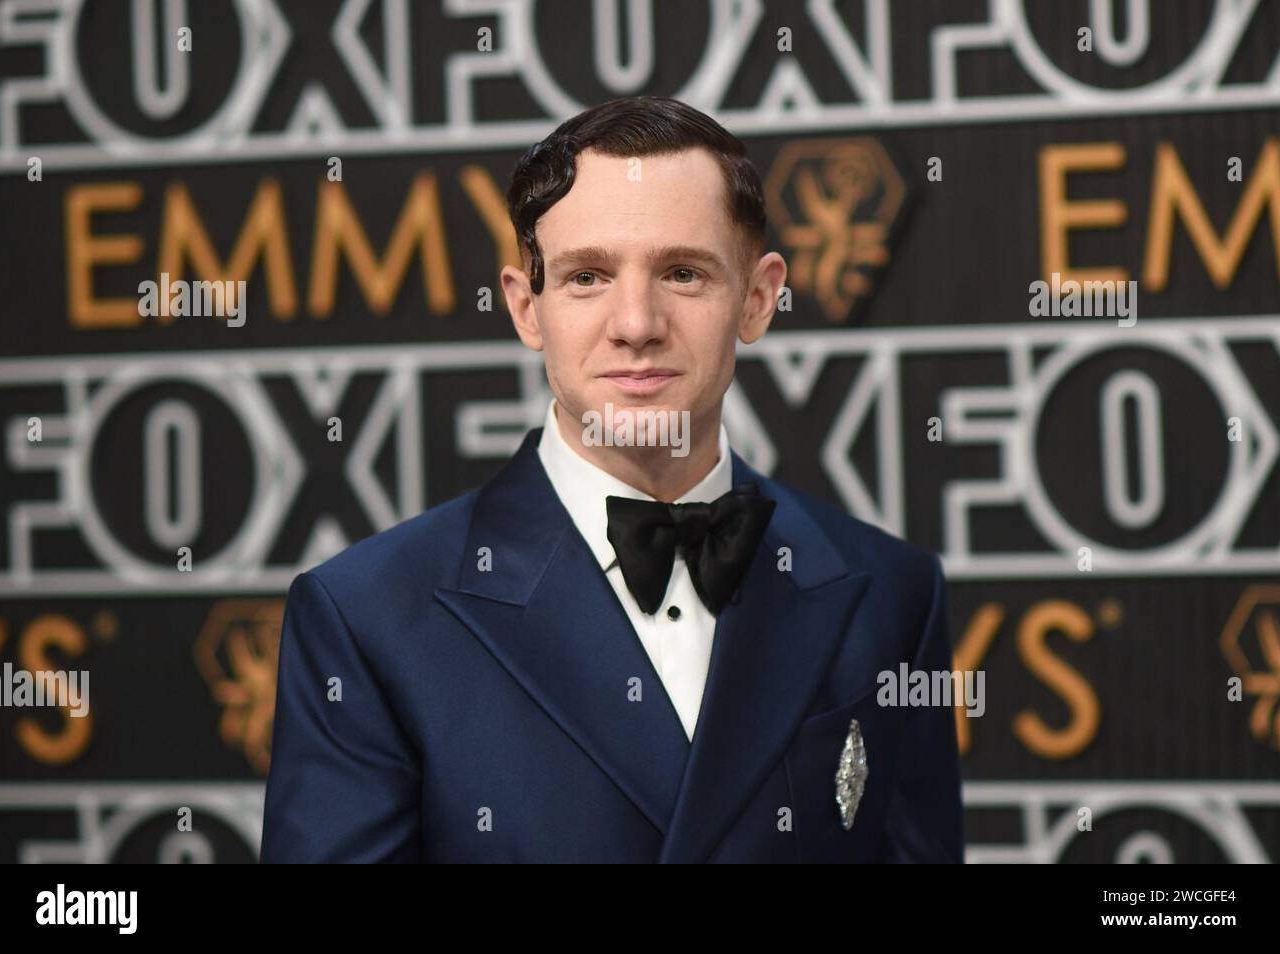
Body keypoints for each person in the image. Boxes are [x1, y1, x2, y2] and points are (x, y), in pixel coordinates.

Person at [260, 96, 963, 863]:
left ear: (758, 299)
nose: (636, 322)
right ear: (528, 309)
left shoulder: (893, 591)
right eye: (588, 276)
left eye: (684, 273)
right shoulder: (368, 618)